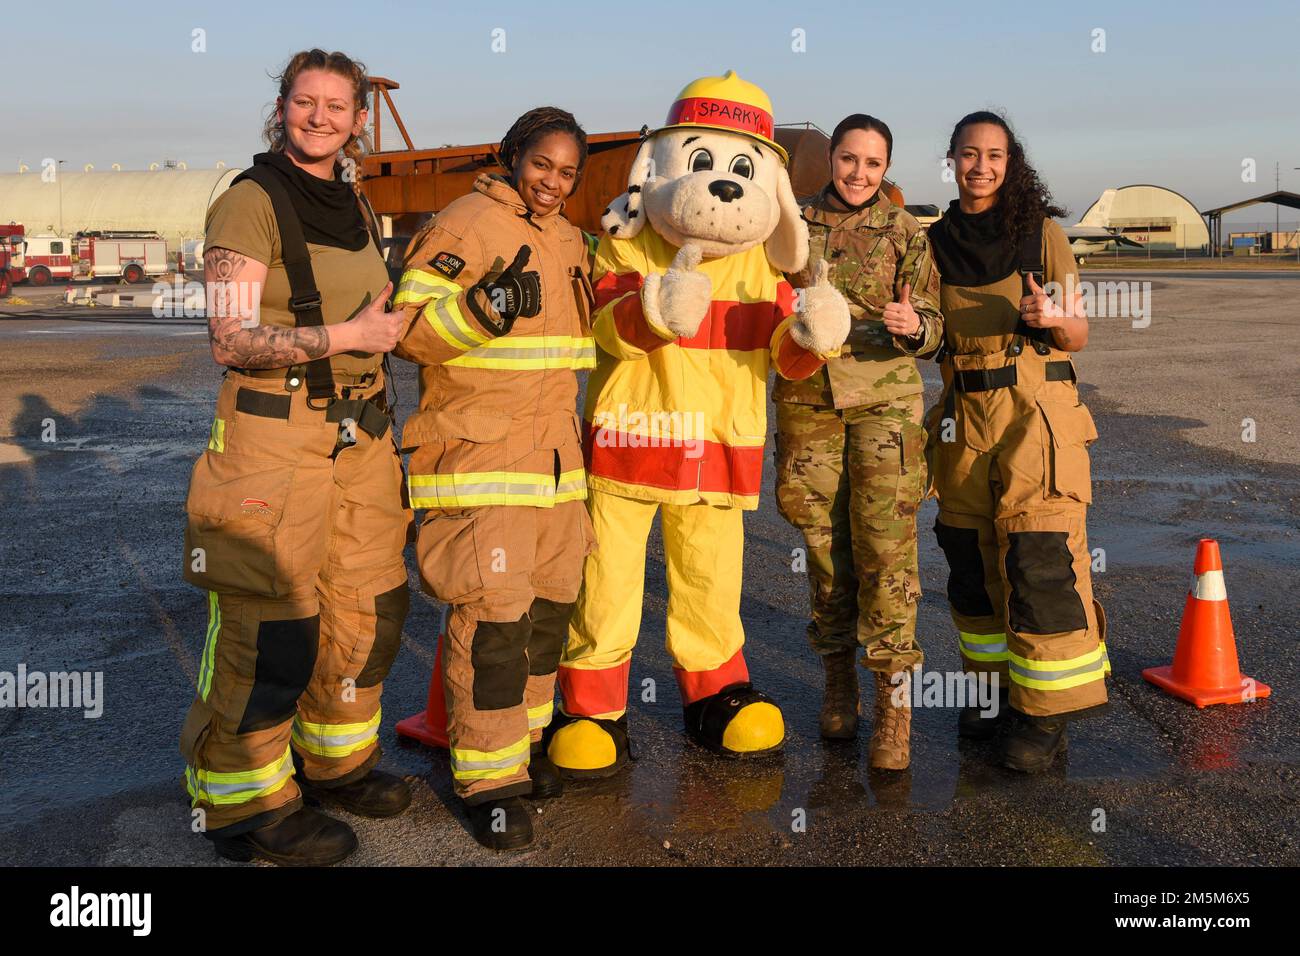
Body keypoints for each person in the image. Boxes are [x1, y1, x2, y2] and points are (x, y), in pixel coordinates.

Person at [179, 49, 414, 865]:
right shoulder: (250, 202)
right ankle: (243, 800)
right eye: (305, 102)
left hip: (361, 434)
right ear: (281, 109)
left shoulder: (352, 197)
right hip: (274, 435)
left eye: (337, 105)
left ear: (356, 118)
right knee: (270, 621)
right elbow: (229, 340)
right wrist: (349, 337)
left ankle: (335, 762)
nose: (320, 116)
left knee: (366, 609)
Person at [393, 108, 595, 850]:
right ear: (514, 157)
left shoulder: (569, 238)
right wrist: (483, 309)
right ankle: (488, 781)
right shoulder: (466, 223)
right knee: (495, 626)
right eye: (542, 164)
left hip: (553, 468)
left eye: (567, 172)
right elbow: (408, 331)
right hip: (480, 464)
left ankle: (524, 749)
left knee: (546, 622)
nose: (553, 181)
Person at [925, 110, 1109, 772]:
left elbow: (1079, 333)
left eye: (994, 155)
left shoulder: (1043, 236)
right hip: (963, 420)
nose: (981, 166)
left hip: (1036, 414)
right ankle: (991, 691)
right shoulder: (935, 243)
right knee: (972, 566)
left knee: (1039, 559)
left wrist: (1056, 318)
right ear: (952, 160)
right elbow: (923, 331)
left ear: (1011, 163)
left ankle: (1044, 715)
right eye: (969, 154)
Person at [773, 114, 942, 770]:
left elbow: (934, 324)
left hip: (885, 405)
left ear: (885, 168)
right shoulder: (792, 225)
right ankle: (839, 682)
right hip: (809, 404)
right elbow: (761, 298)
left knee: (886, 552)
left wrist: (913, 323)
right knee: (824, 551)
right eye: (849, 159)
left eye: (873, 163)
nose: (859, 173)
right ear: (832, 160)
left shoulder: (905, 232)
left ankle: (893, 709)